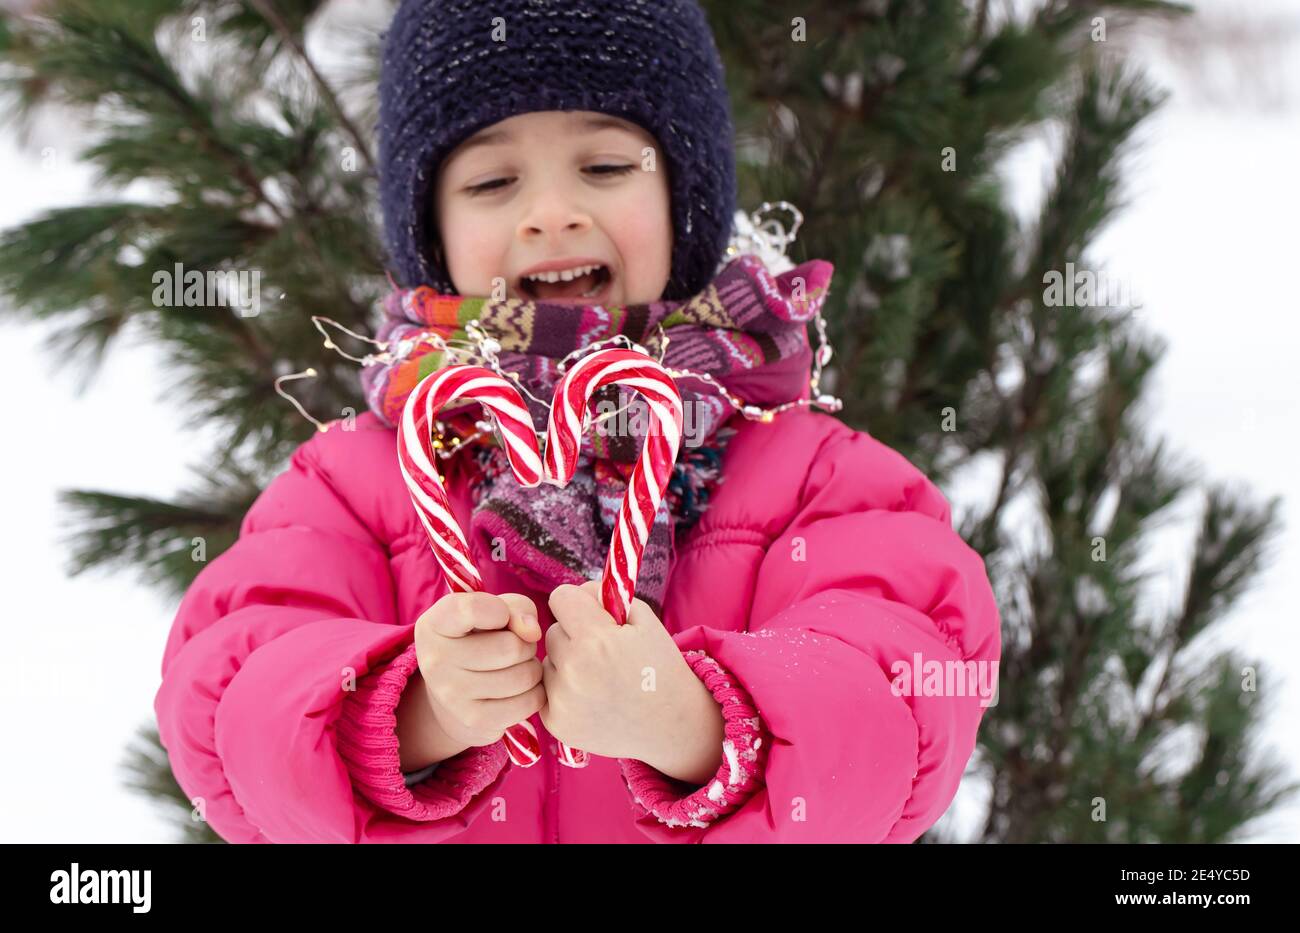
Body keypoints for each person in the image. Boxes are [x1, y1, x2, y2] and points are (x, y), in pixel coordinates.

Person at [154, 0, 1002, 843]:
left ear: (685, 198)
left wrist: (693, 724)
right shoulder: (356, 480)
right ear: (430, 234)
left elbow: (904, 694)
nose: (552, 212)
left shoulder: (810, 473)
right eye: (492, 180)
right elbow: (230, 694)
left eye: (605, 166)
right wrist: (414, 711)